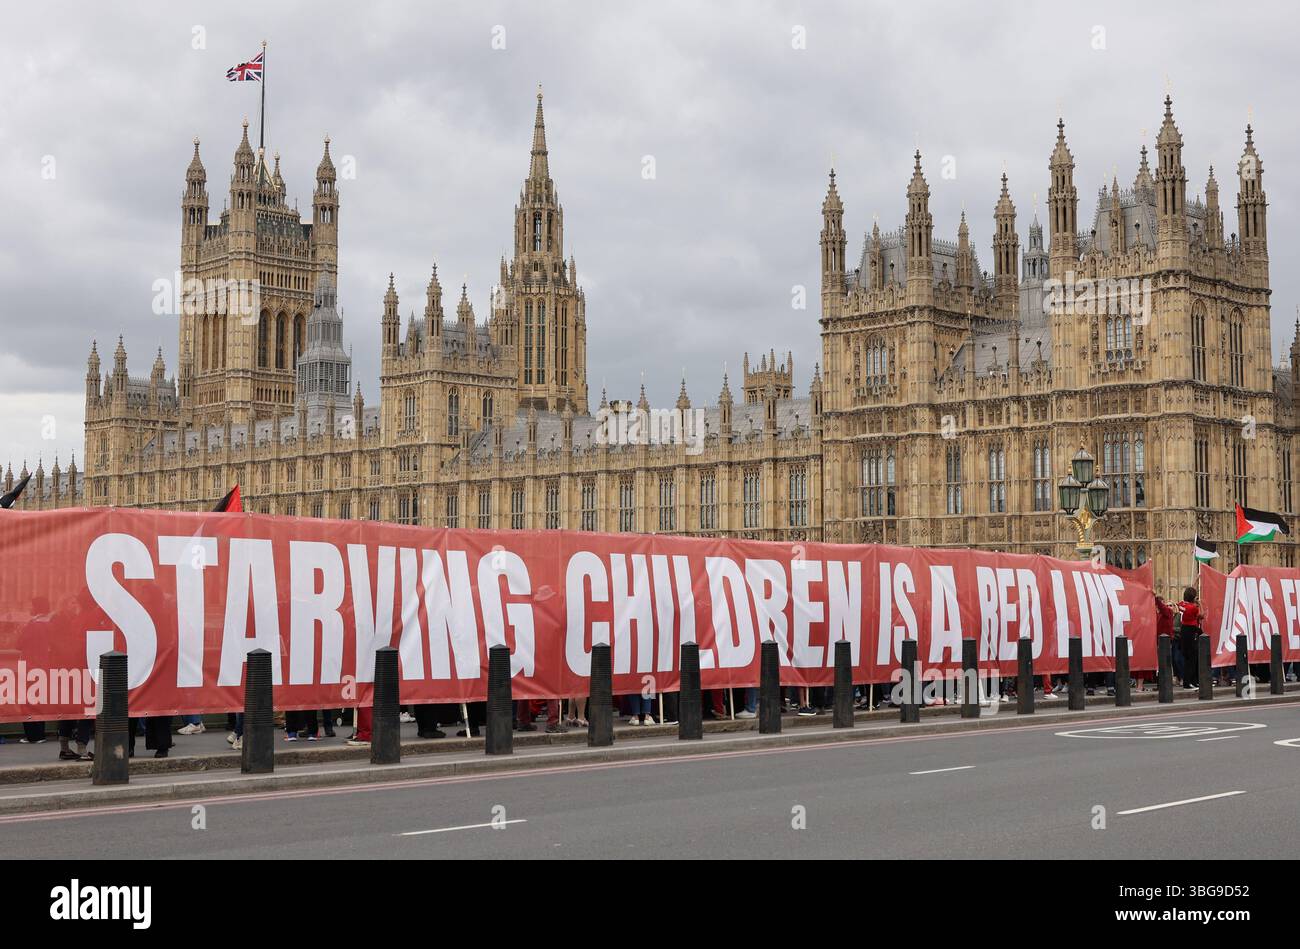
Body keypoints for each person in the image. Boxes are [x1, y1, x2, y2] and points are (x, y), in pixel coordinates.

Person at [1178, 586, 1202, 691]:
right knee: (1191, 659)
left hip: (1183, 630)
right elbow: (1202, 615)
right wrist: (1200, 603)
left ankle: (1191, 681)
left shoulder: (1181, 605)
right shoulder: (1193, 608)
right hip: (1191, 631)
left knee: (1188, 658)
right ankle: (1188, 683)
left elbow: (1186, 600)